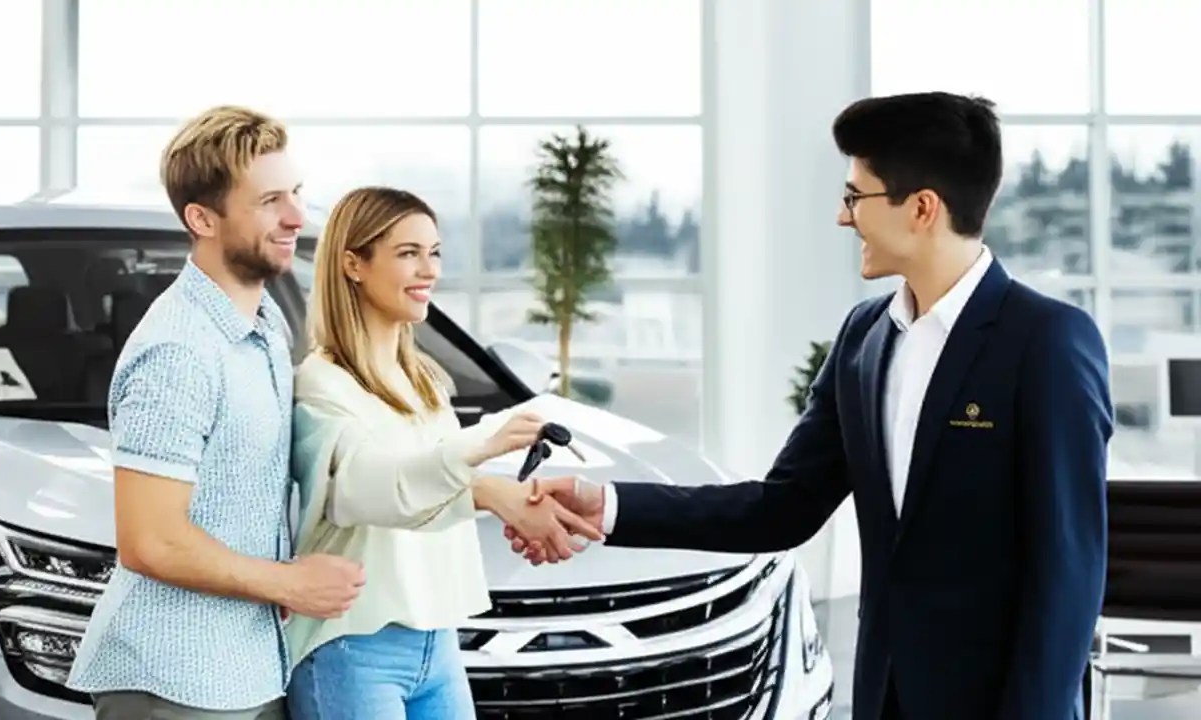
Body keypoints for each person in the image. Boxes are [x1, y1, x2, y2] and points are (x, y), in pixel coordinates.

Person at [510, 92, 1112, 720]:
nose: (842, 216)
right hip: (882, 697)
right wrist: (606, 504)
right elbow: (781, 508)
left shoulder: (1046, 342)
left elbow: (1068, 571)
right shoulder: (864, 339)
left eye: (856, 196)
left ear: (923, 208)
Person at [66, 105, 365, 720]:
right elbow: (150, 541)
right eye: (269, 201)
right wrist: (288, 583)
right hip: (174, 680)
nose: (296, 217)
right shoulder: (178, 349)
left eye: (297, 193)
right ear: (201, 218)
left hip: (247, 667)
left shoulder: (264, 323)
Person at [282, 186, 603, 720]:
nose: (428, 270)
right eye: (408, 253)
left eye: (434, 253)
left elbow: (432, 497)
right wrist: (480, 455)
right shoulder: (321, 383)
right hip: (353, 648)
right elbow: (372, 491)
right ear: (353, 264)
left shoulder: (425, 380)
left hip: (438, 642)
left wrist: (509, 498)